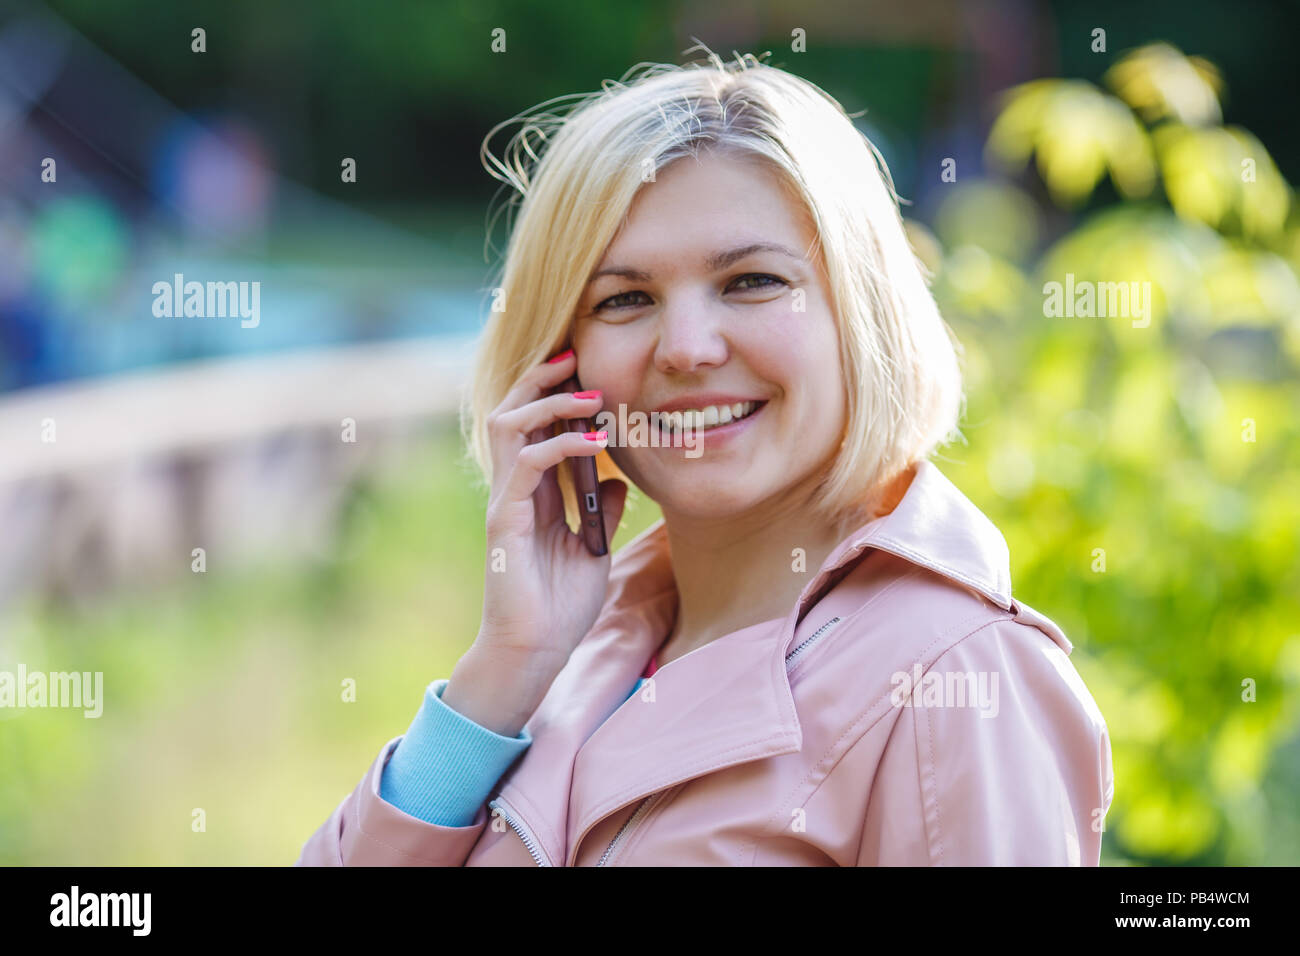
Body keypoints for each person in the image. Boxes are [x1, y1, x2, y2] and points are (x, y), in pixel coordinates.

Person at [296, 49, 1113, 866]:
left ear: (861, 317)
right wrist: (505, 670)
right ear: (561, 357)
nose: (685, 349)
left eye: (752, 281)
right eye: (623, 299)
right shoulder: (578, 651)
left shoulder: (959, 679)